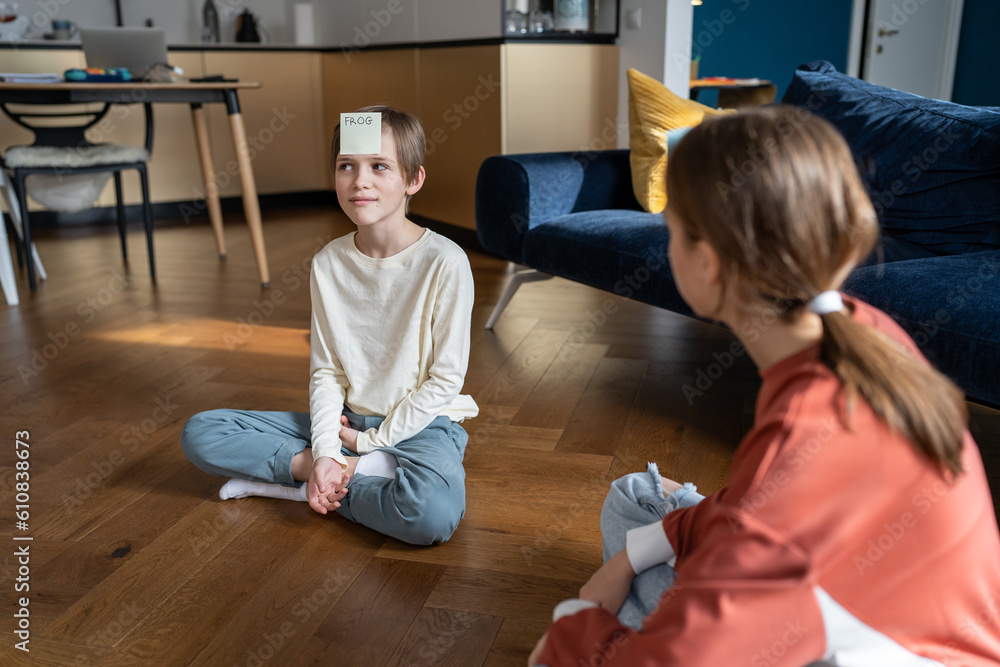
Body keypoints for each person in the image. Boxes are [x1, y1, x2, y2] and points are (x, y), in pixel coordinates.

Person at [529, 106, 1000, 665]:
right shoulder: (858, 328)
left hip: (872, 642)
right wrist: (629, 558)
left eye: (670, 225)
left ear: (708, 264)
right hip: (863, 597)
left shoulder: (804, 435)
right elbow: (762, 502)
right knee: (634, 498)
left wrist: (571, 630)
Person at [181, 105, 478, 545]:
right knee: (201, 433)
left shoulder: (446, 262)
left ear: (414, 179)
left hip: (422, 425)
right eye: (346, 167)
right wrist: (324, 452)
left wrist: (369, 445)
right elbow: (326, 372)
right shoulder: (327, 264)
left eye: (379, 166)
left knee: (430, 514)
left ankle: (307, 485)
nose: (360, 180)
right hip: (346, 425)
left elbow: (446, 380)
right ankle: (322, 475)